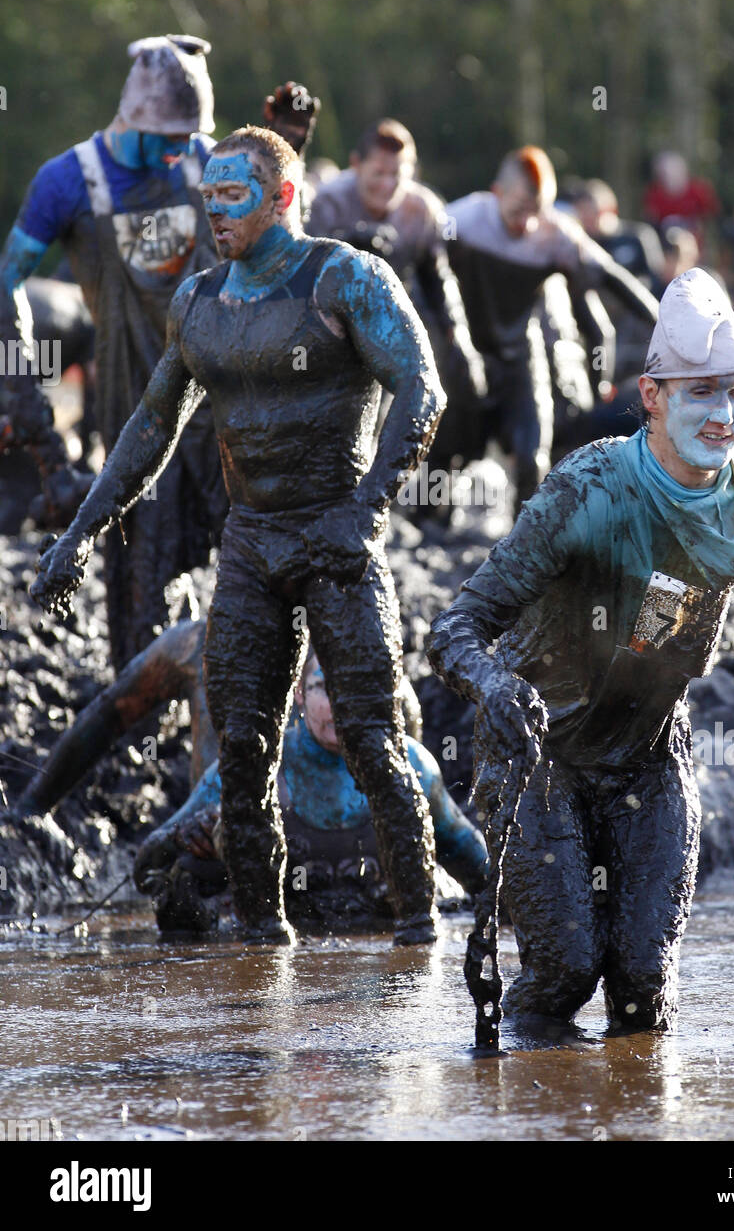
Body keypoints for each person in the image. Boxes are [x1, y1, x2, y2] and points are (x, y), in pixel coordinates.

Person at [427, 267, 734, 1032]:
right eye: (702, 392)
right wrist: (492, 687)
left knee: (643, 991)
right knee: (567, 974)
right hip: (542, 753)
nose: (724, 415)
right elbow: (457, 630)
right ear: (653, 397)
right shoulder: (591, 489)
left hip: (649, 753)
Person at [30, 123, 446, 947]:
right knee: (246, 752)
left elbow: (422, 392)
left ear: (283, 196)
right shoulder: (201, 301)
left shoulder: (346, 280)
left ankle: (420, 931)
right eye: (209, 195)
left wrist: (363, 510)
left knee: (371, 738)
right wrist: (77, 536)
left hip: (338, 542)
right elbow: (149, 430)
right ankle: (261, 935)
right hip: (251, 545)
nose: (214, 212)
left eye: (233, 196)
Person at [0, 34, 227, 669]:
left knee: (249, 550)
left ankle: (248, 703)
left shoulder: (206, 163)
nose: (185, 149)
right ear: (132, 118)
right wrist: (24, 389)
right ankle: (141, 710)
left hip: (219, 392)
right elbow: (7, 280)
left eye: (192, 136)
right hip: (134, 403)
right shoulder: (68, 181)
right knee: (142, 561)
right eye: (172, 137)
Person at [133, 650, 487, 933]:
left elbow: (478, 869)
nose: (339, 702)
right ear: (300, 694)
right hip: (281, 936)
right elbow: (145, 867)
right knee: (188, 874)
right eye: (323, 687)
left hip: (387, 943)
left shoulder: (411, 762)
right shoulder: (259, 762)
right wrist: (185, 836)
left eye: (351, 688)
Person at [446, 146, 659, 509]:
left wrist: (665, 326)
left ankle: (524, 547)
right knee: (447, 457)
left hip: (520, 356)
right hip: (464, 350)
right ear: (497, 193)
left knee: (533, 457)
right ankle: (429, 527)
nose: (526, 224)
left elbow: (615, 283)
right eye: (517, 211)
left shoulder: (557, 234)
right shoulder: (462, 220)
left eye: (536, 212)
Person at [307, 118, 486, 479]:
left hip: (391, 317)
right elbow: (305, 275)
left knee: (415, 397)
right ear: (356, 165)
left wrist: (459, 337)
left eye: (397, 174)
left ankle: (398, 495)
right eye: (378, 173)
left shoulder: (422, 209)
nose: (387, 185)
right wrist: (353, 239)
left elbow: (437, 279)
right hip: (330, 320)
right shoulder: (329, 203)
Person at [641, 151, 720, 251]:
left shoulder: (699, 190)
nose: (671, 174)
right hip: (666, 247)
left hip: (696, 245)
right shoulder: (654, 195)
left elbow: (712, 216)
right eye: (666, 171)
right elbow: (652, 222)